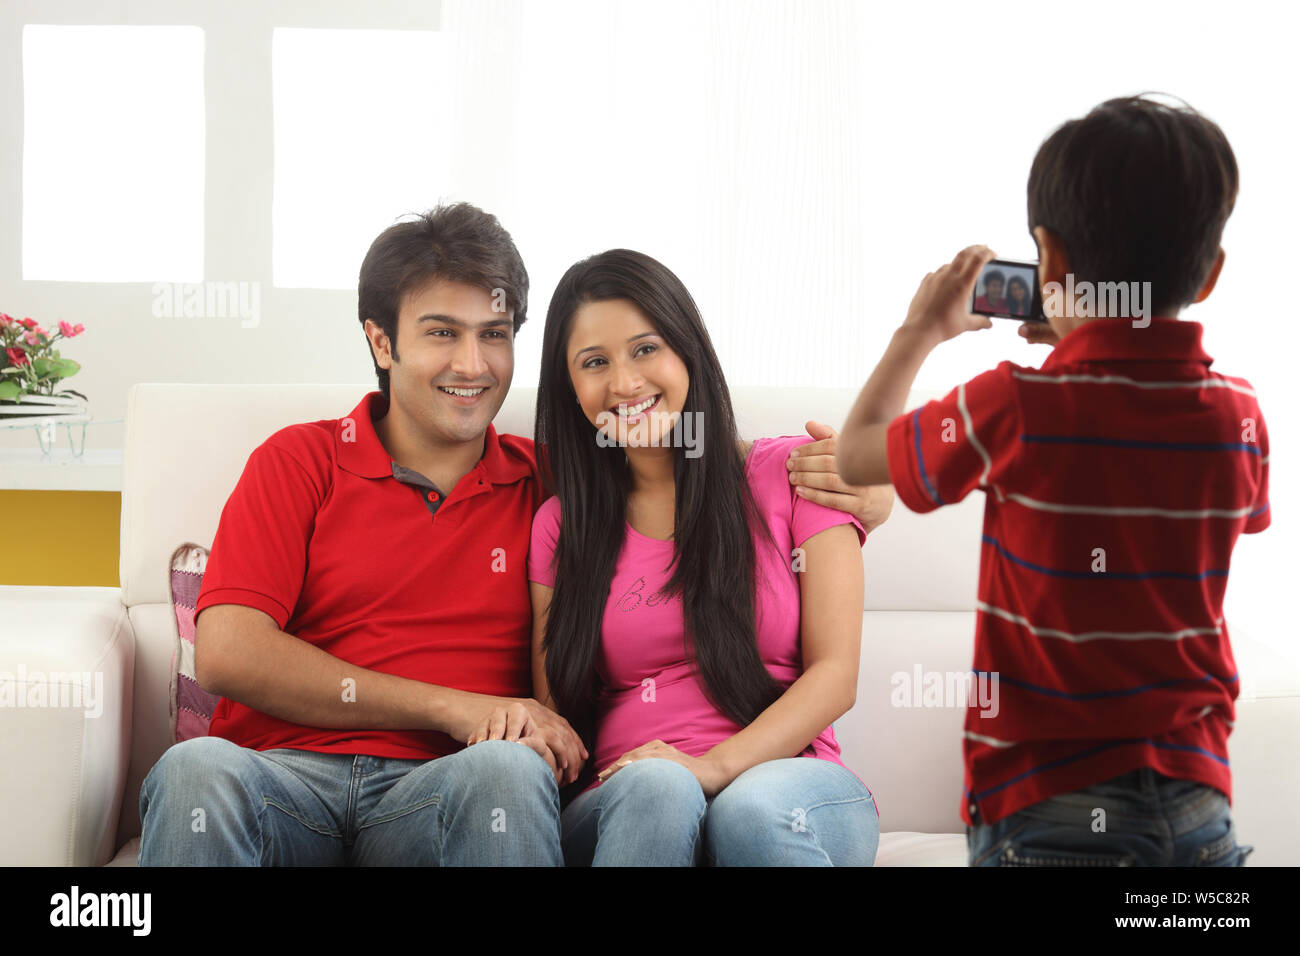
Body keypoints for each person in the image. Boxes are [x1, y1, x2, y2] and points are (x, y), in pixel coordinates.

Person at [137, 203, 893, 866]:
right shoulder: (299, 460)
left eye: (493, 334)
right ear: (382, 342)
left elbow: (679, 466)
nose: (471, 365)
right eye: (441, 334)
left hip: (448, 790)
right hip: (286, 777)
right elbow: (230, 653)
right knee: (192, 770)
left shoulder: (554, 487)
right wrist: (452, 706)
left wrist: (859, 487)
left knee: (508, 771)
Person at [837, 95, 1266, 867]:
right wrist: (1085, 339)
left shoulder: (1015, 406)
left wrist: (921, 329)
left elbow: (856, 454)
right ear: (1209, 276)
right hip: (1198, 803)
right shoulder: (1239, 414)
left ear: (1050, 260)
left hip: (1050, 806)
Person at [511, 249, 880, 866]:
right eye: (594, 362)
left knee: (750, 811)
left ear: (689, 350)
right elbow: (558, 719)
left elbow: (835, 676)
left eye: (646, 348)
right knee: (658, 786)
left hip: (792, 784)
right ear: (570, 389)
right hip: (626, 801)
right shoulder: (560, 528)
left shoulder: (795, 474)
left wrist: (711, 769)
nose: (625, 383)